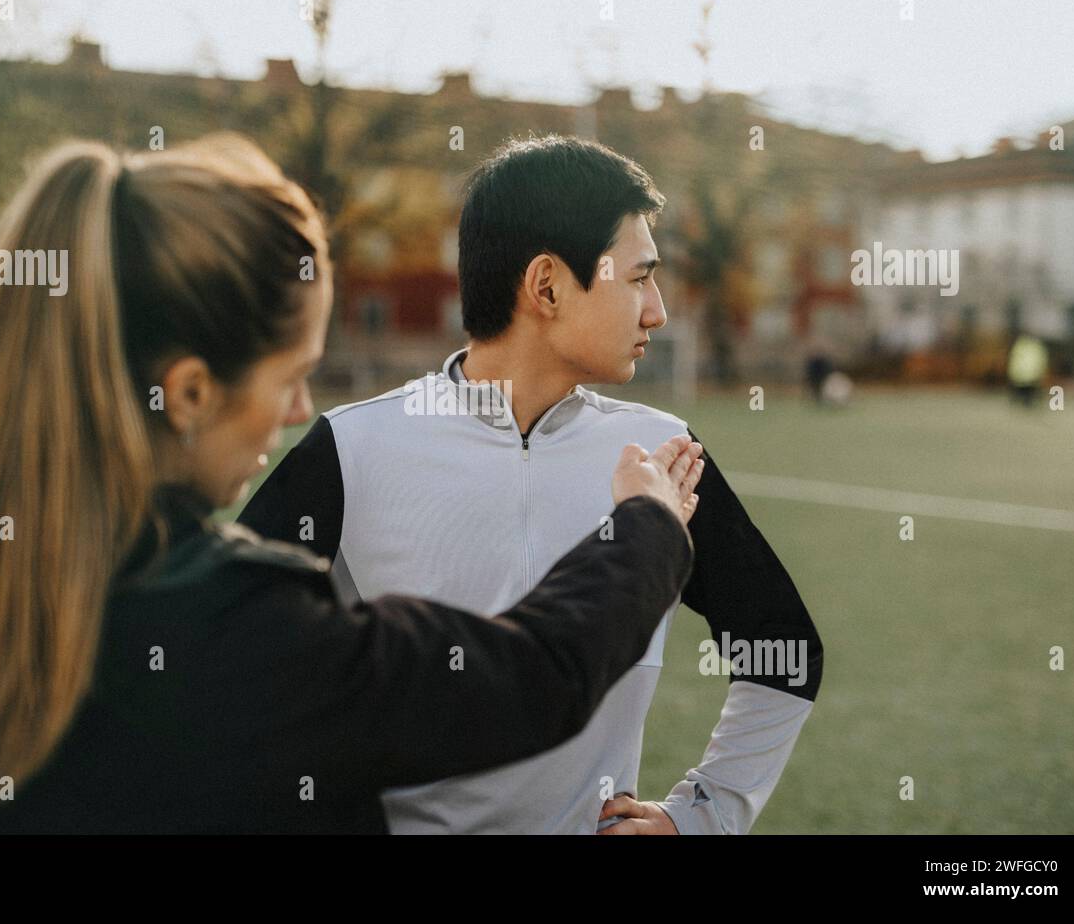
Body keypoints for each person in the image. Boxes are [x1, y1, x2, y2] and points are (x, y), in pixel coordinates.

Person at [0, 133, 704, 833]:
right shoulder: (232, 632)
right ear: (194, 391)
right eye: (290, 376)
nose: (297, 412)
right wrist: (646, 529)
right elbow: (525, 681)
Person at [240, 134, 823, 834]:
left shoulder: (662, 453)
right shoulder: (352, 447)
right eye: (638, 278)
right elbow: (223, 669)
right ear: (546, 285)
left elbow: (782, 648)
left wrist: (699, 818)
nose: (657, 311)